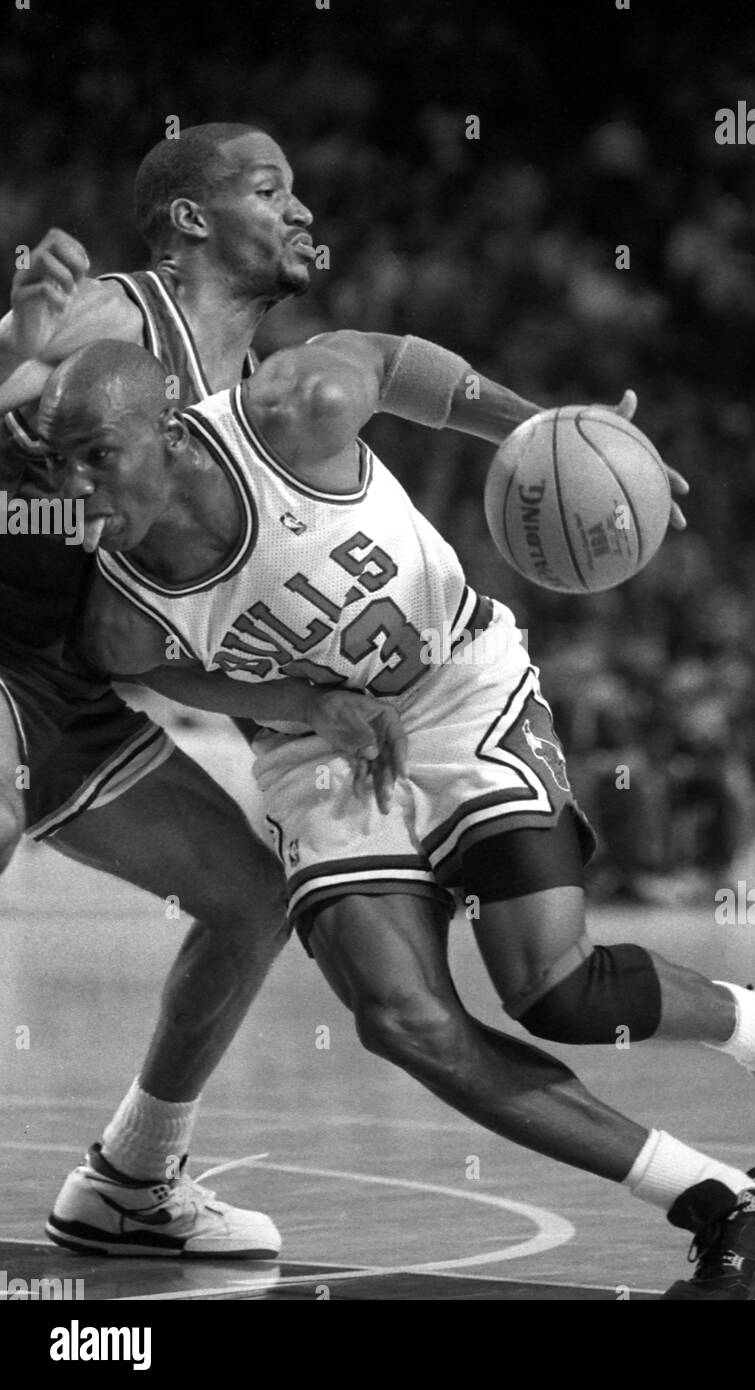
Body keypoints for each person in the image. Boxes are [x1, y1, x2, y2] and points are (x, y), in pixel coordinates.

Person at [38, 332, 755, 1299]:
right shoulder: (119, 612)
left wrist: (543, 428)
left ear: (169, 430)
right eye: (61, 463)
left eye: (101, 456)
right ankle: (727, 1204)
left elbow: (407, 370)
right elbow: (155, 667)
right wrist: (308, 708)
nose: (77, 489)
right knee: (401, 1020)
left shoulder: (298, 407)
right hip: (322, 752)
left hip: (461, 684)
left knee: (558, 992)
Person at [0, 124, 405, 1257]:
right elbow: (19, 368)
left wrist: (306, 704)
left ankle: (131, 1177)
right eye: (269, 188)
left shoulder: (256, 401)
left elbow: (169, 637)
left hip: (69, 684)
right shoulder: (124, 319)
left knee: (247, 896)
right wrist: (18, 339)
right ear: (191, 219)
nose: (298, 209)